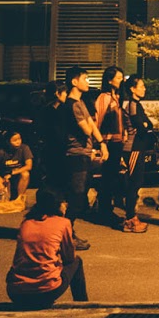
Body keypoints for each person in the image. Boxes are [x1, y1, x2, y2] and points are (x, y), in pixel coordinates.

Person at [5, 187, 88, 308]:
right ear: (57, 205)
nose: (66, 205)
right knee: (77, 262)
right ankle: (83, 306)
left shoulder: (26, 223)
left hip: (16, 292)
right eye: (63, 202)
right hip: (45, 291)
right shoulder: (63, 223)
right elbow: (69, 258)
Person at [60, 67, 105, 250]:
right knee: (76, 196)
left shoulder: (81, 103)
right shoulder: (71, 104)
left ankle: (68, 233)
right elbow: (86, 129)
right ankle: (65, 235)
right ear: (74, 82)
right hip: (75, 156)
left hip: (84, 154)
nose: (88, 82)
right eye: (85, 79)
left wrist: (101, 143)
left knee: (81, 195)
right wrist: (92, 131)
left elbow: (92, 125)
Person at [115, 75, 153, 233]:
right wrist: (145, 124)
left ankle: (131, 216)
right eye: (141, 86)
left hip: (138, 147)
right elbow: (142, 125)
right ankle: (130, 219)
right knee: (134, 183)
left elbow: (147, 124)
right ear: (132, 88)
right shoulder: (132, 105)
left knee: (137, 182)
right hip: (133, 148)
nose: (144, 88)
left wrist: (146, 124)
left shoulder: (136, 105)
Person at [91, 66, 127, 226]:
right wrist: (99, 143)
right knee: (108, 177)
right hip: (108, 141)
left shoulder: (117, 97)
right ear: (109, 80)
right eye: (118, 78)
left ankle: (105, 209)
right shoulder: (104, 98)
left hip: (117, 141)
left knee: (112, 176)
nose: (121, 80)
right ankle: (104, 211)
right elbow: (98, 119)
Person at [35, 81, 70, 190]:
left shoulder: (64, 109)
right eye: (64, 92)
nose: (66, 94)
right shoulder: (47, 110)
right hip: (54, 150)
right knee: (55, 178)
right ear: (57, 93)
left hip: (60, 149)